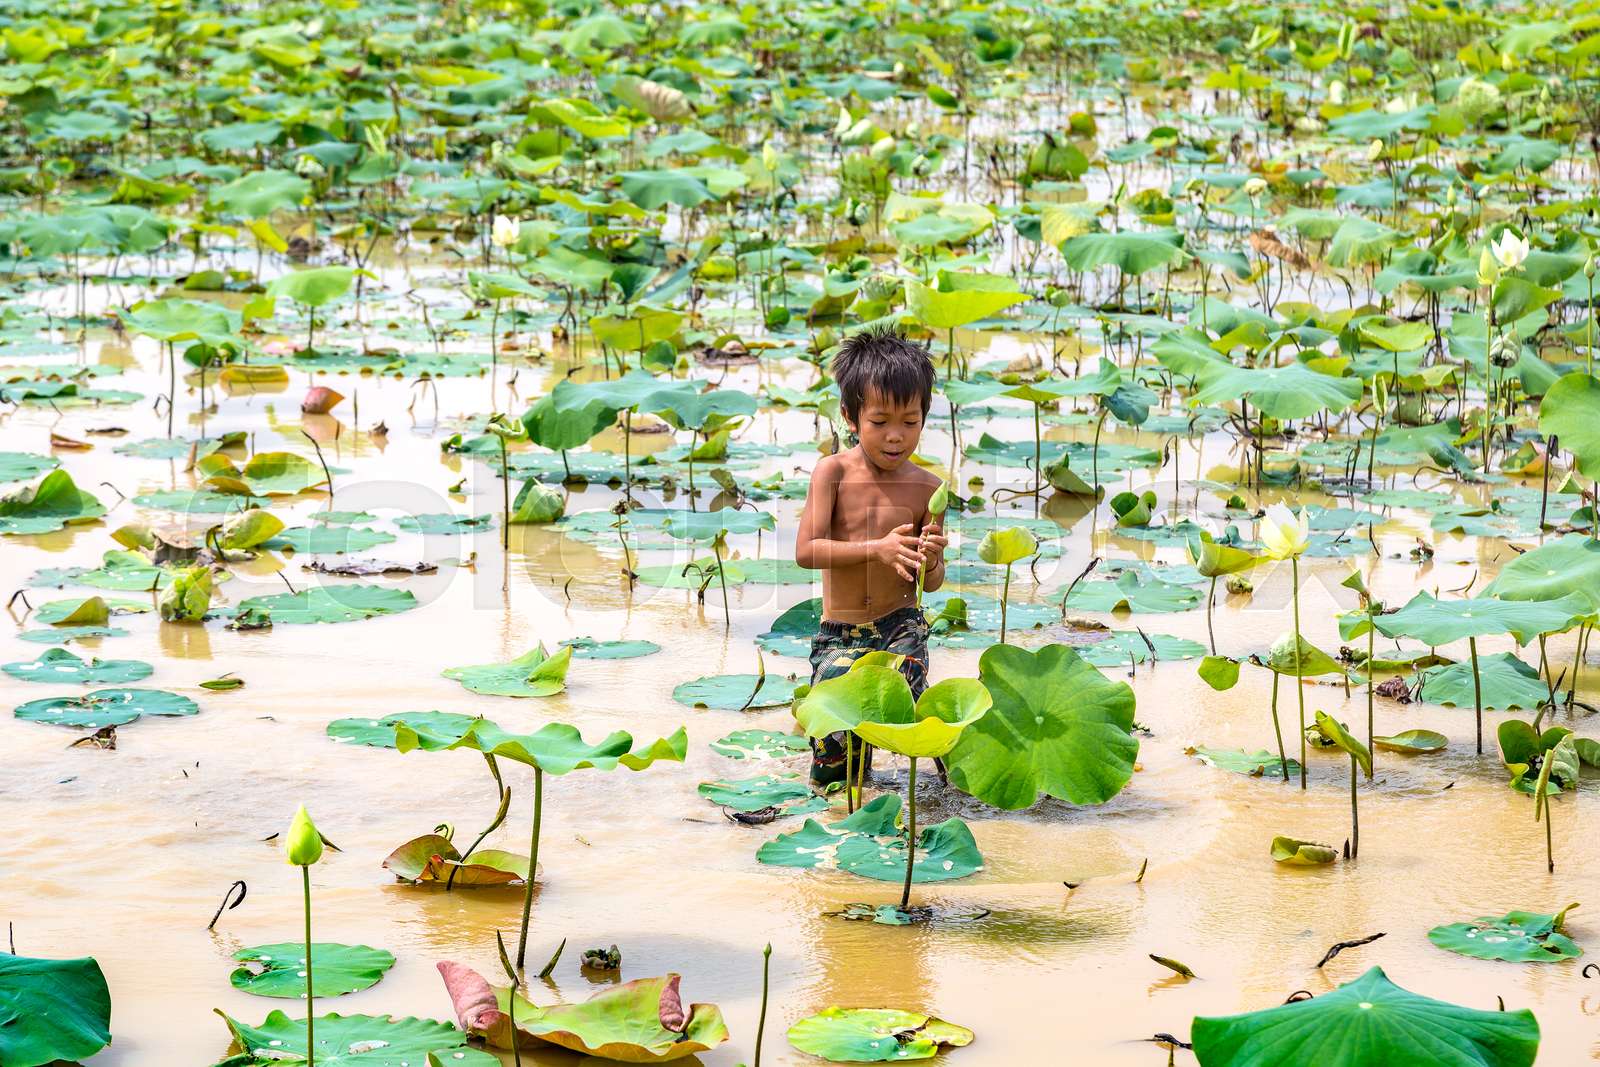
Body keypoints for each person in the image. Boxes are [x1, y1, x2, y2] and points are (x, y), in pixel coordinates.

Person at [794, 327, 947, 787]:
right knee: (836, 767)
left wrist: (932, 560)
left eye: (910, 422)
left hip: (901, 624)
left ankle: (930, 798)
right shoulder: (833, 472)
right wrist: (876, 549)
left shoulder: (928, 489)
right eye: (880, 422)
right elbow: (806, 551)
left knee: (907, 709)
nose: (896, 437)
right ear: (849, 415)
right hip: (839, 633)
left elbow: (933, 582)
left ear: (924, 417)